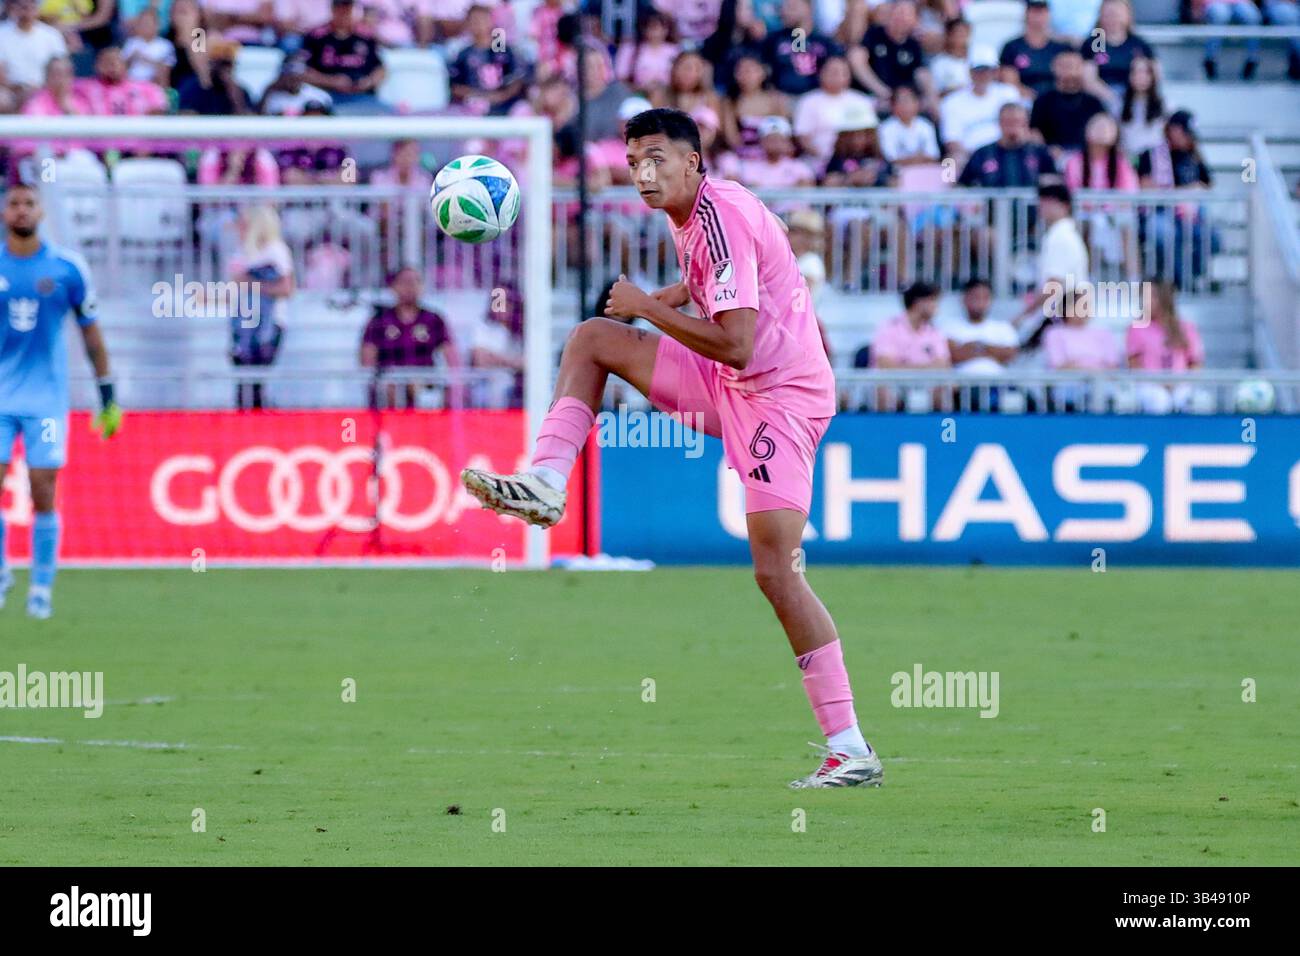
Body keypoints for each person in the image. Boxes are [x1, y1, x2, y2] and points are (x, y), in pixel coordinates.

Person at [461, 108, 884, 790]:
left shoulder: (718, 216)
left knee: (776, 573)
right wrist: (672, 294)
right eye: (633, 163)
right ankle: (545, 478)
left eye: (656, 159)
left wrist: (648, 306)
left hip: (780, 396)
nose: (643, 174)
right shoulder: (710, 209)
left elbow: (739, 341)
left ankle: (851, 748)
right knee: (594, 338)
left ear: (694, 160)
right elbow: (754, 252)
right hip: (730, 383)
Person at [0, 183, 121, 620]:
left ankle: (42, 588)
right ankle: (1, 573)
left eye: (29, 203)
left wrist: (107, 394)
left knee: (42, 489)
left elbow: (91, 331)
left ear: (41, 211)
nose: (21, 211)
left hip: (46, 401)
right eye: (13, 203)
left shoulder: (67, 268)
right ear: (3, 212)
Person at [360, 267, 458, 409]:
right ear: (393, 287)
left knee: (436, 389)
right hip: (390, 381)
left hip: (425, 380)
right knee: (393, 387)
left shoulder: (433, 319)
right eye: (405, 282)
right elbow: (367, 359)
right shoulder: (379, 320)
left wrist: (454, 384)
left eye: (415, 282)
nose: (410, 287)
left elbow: (451, 357)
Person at [228, 205, 294, 410]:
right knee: (244, 377)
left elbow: (286, 288)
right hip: (244, 322)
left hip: (270, 322)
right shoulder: (242, 252)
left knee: (258, 377)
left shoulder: (276, 250)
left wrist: (252, 284)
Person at [1015, 182, 1089, 345]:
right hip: (1064, 311)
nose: (1042, 206)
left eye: (1048, 201)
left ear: (1064, 205)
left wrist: (1023, 316)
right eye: (1042, 201)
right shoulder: (1066, 235)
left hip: (1062, 314)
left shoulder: (1060, 237)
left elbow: (1053, 286)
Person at [1127, 281, 1204, 412]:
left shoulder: (1186, 328)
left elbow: (1195, 363)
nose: (1145, 302)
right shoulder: (1136, 328)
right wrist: (1160, 383)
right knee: (1159, 400)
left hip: (1181, 384)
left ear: (1163, 298)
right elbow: (1134, 364)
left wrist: (1180, 383)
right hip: (1150, 384)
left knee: (1198, 401)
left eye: (1150, 296)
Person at [939, 45, 1020, 167]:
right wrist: (978, 157)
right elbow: (951, 142)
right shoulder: (952, 102)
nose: (983, 74)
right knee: (949, 162)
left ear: (995, 72)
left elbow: (1019, 129)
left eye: (988, 70)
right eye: (978, 70)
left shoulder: (1008, 93)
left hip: (1006, 151)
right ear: (970, 72)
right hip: (970, 156)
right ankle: (950, 186)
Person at [299, 0, 387, 113]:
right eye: (339, 9)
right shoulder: (316, 37)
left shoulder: (365, 36)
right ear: (333, 10)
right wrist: (331, 81)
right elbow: (302, 71)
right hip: (327, 97)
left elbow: (380, 68)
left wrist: (368, 82)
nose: (343, 13)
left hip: (363, 96)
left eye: (347, 8)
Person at [1029, 50, 1106, 161]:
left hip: (1087, 158)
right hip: (1053, 157)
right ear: (1054, 67)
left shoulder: (1094, 102)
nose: (1070, 71)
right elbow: (1035, 133)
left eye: (1074, 66)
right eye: (1064, 66)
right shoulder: (1042, 101)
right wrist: (1047, 150)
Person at [999, 0, 1070, 99]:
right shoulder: (1012, 47)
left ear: (1048, 14)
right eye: (1034, 11)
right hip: (1023, 100)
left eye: (1042, 12)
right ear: (1026, 14)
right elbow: (1010, 81)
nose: (1038, 17)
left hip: (1056, 100)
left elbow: (1069, 78)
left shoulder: (1061, 48)